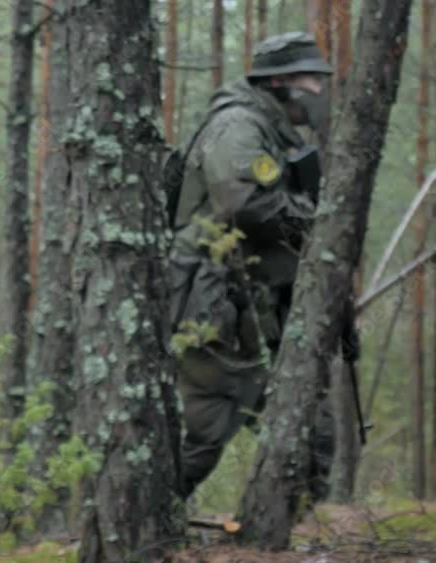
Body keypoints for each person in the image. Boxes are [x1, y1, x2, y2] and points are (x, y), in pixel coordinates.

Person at [167, 31, 338, 500]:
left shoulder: (268, 131)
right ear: (280, 82)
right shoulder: (239, 125)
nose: (320, 92)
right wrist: (322, 221)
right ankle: (137, 528)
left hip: (254, 304)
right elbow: (247, 204)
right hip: (217, 303)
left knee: (311, 427)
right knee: (204, 431)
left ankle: (293, 534)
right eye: (312, 80)